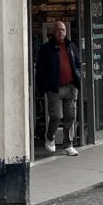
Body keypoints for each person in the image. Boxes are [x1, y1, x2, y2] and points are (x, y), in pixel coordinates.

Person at [36, 20, 83, 155]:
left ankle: (68, 145)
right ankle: (50, 137)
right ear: (53, 32)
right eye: (58, 30)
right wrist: (46, 87)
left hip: (71, 86)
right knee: (56, 116)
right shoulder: (46, 49)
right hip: (55, 88)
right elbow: (41, 70)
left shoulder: (71, 46)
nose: (61, 32)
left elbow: (78, 63)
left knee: (70, 116)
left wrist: (78, 78)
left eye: (63, 30)